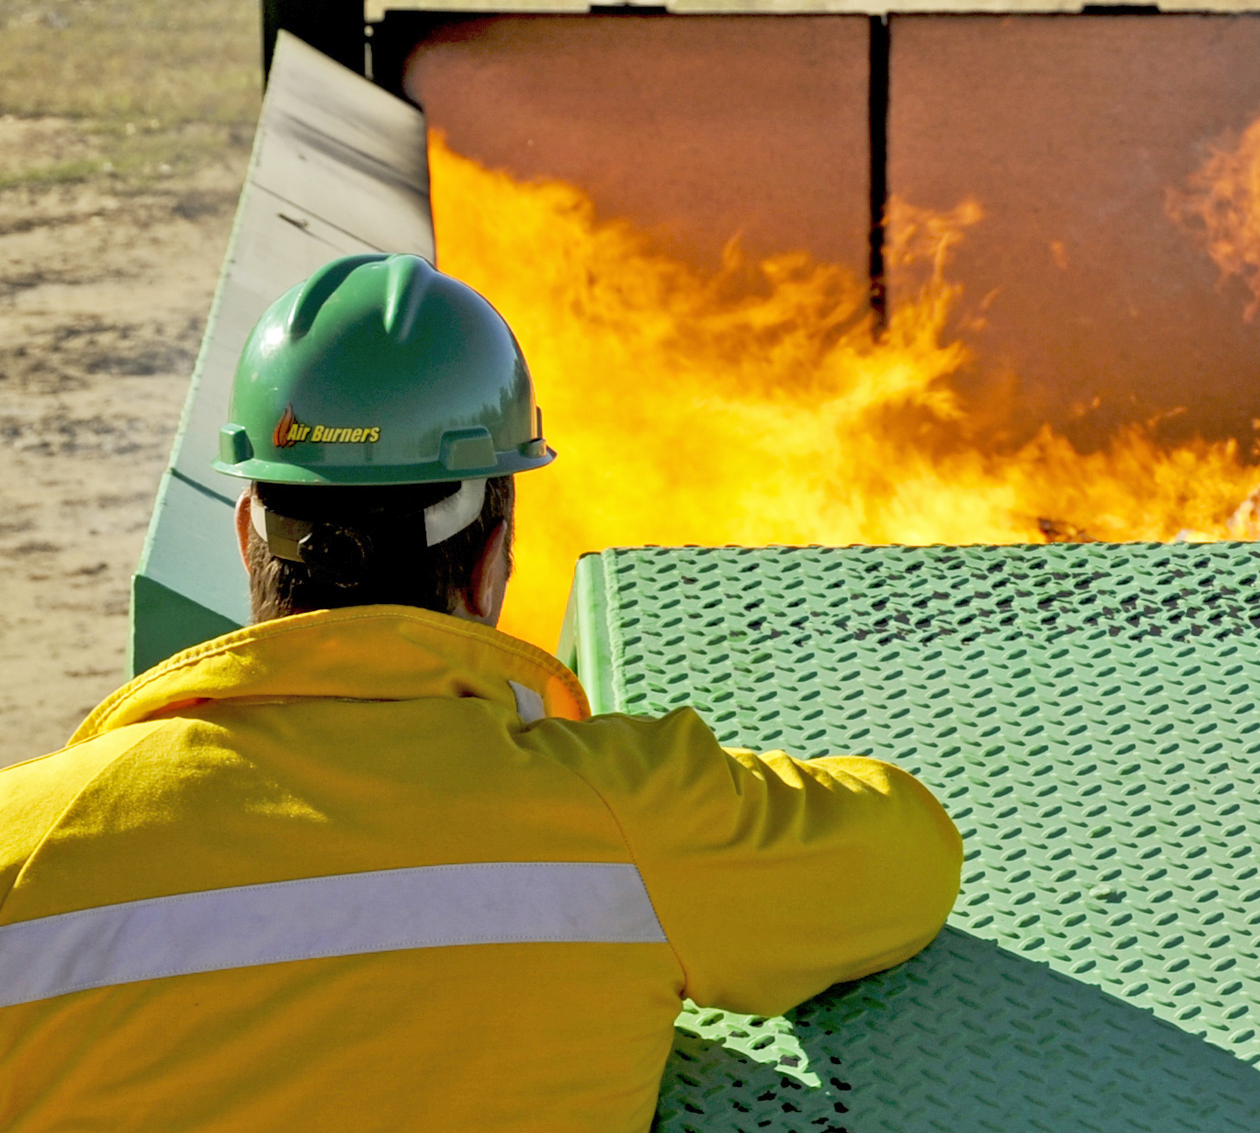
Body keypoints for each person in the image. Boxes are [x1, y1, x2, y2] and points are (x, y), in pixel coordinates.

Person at [0, 253, 962, 1132]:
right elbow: (912, 852)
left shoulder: (28, 847)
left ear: (247, 527)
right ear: (491, 551)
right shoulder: (629, 819)